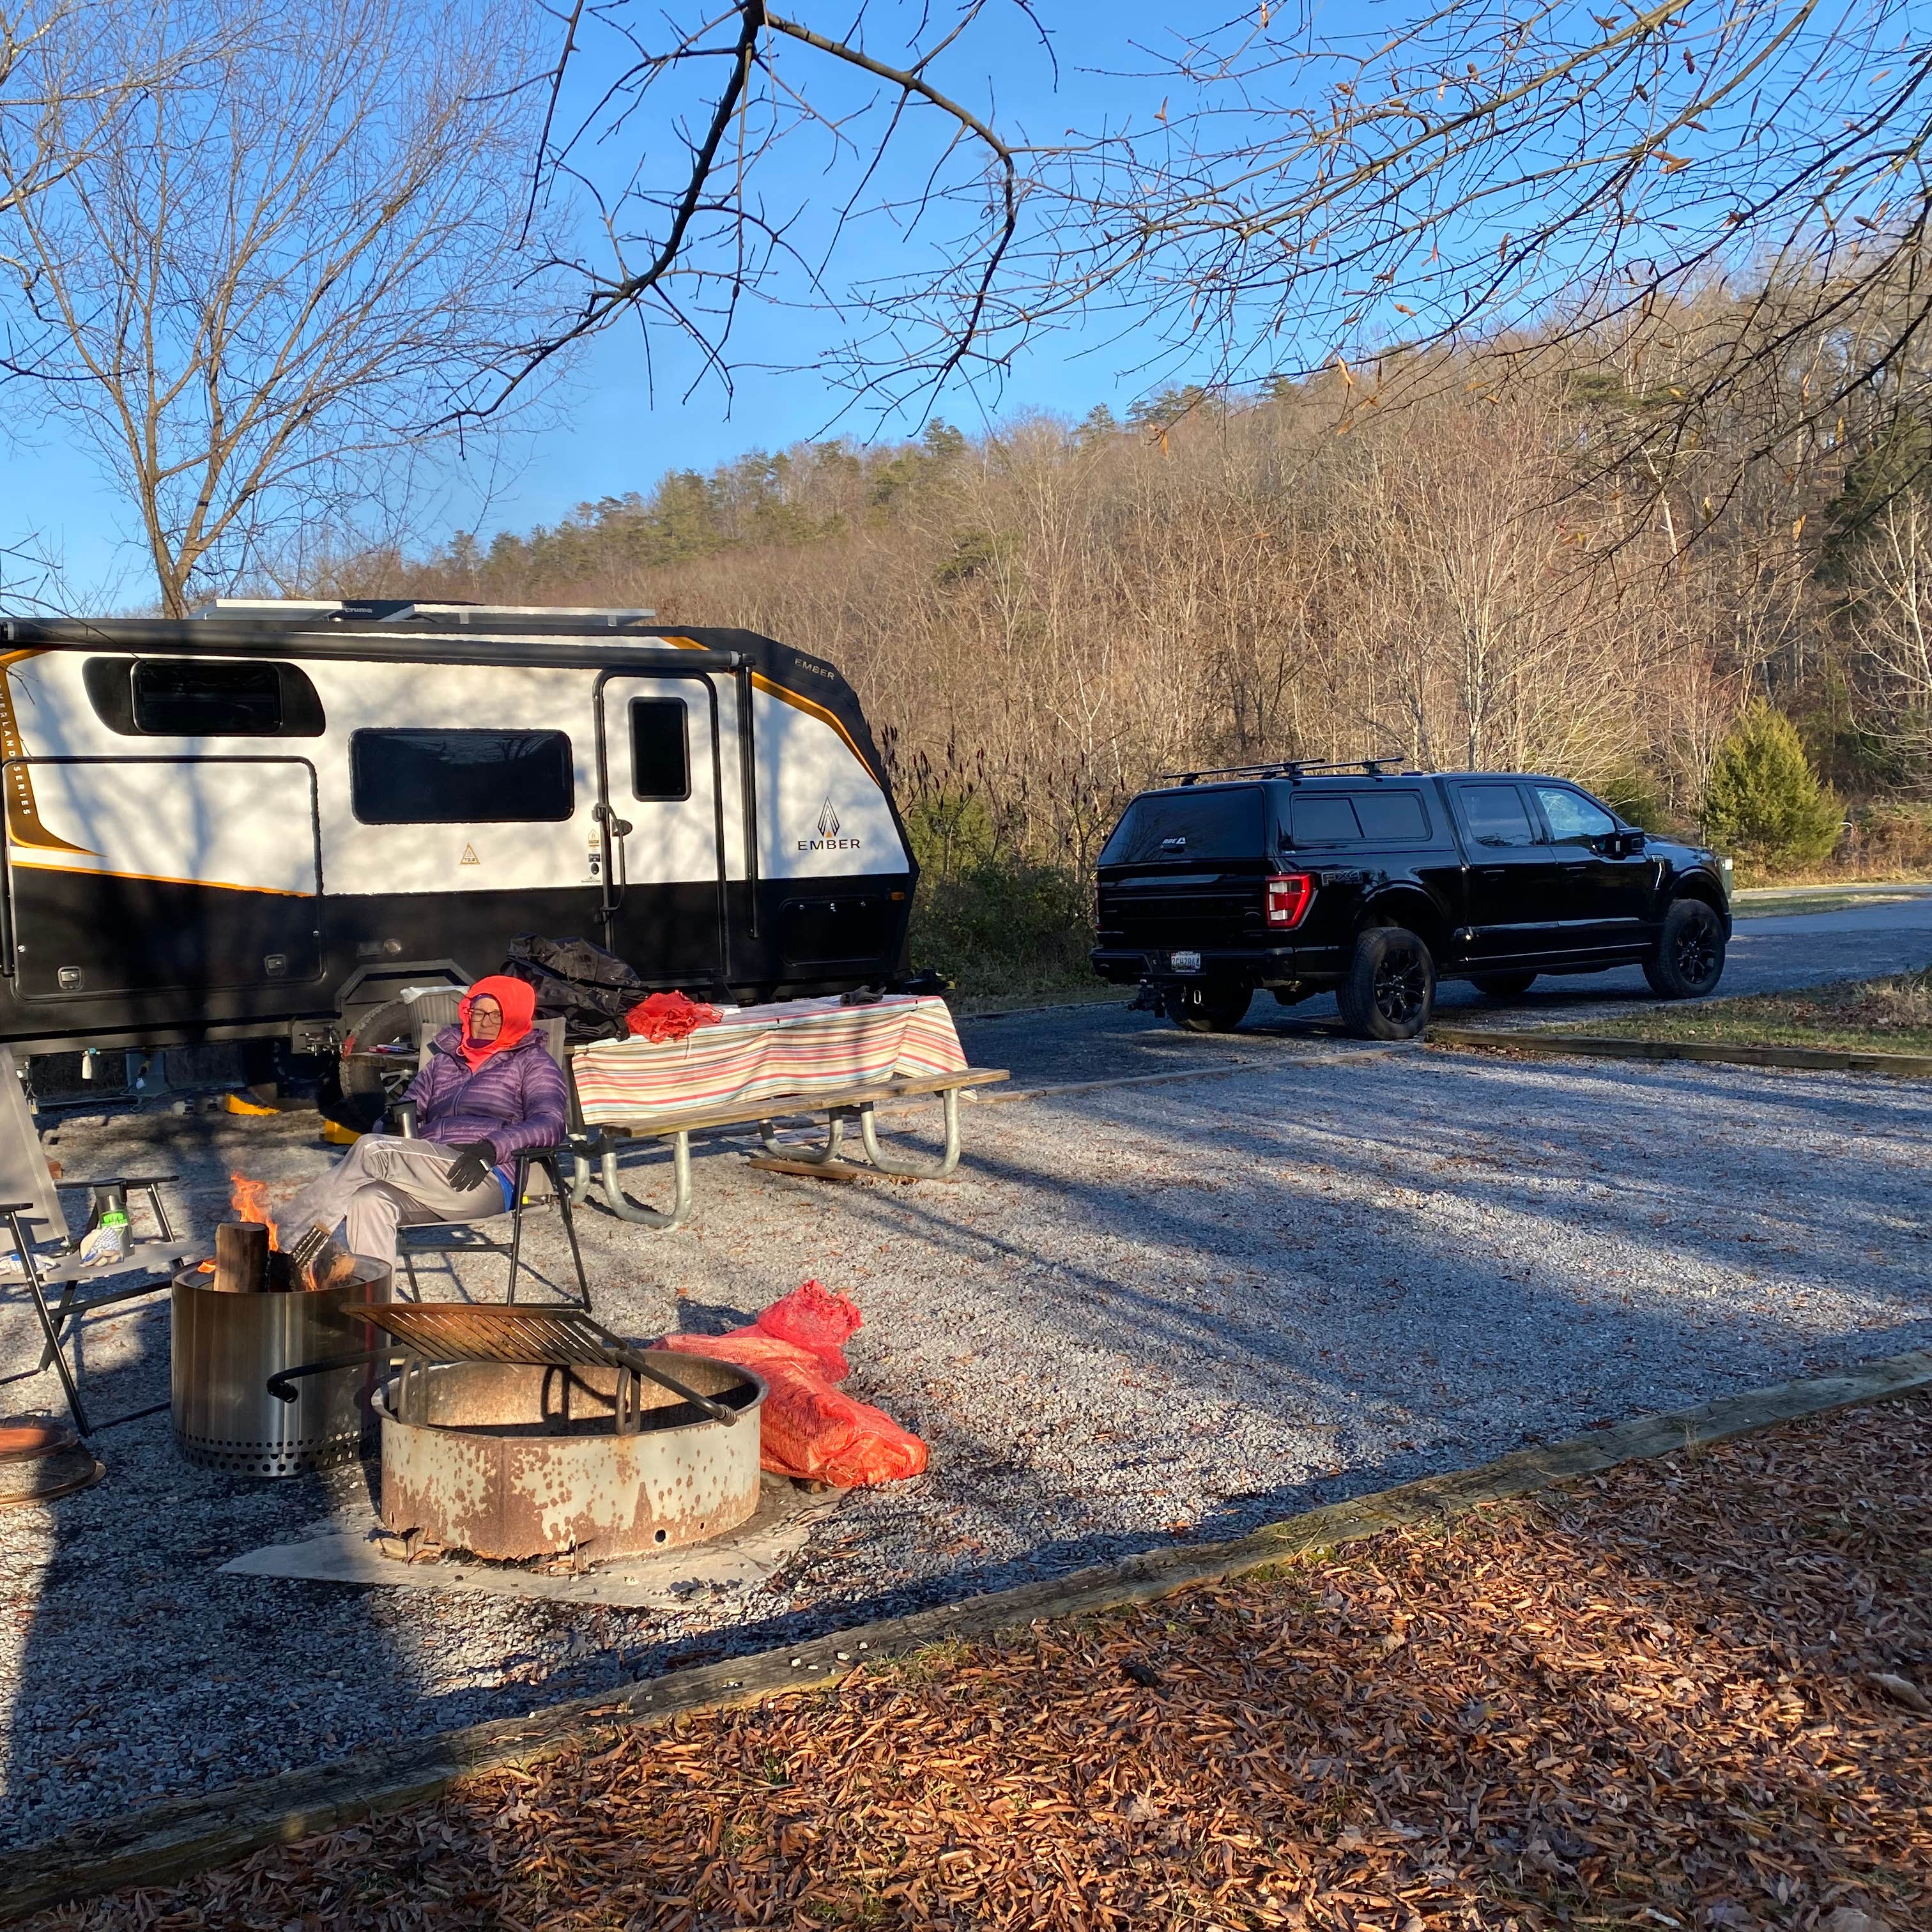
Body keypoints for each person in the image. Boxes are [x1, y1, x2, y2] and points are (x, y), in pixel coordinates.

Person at [278, 976, 568, 1279]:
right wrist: (388, 1123)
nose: (485, 1022)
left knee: (372, 1148)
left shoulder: (533, 1063)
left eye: (497, 1014)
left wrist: (492, 1148)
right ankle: (375, 1313)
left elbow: (550, 1123)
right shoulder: (444, 1062)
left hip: (481, 1178)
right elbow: (406, 1110)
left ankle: (285, 1239)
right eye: (479, 1013)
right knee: (367, 1200)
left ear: (515, 1018)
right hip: (428, 1172)